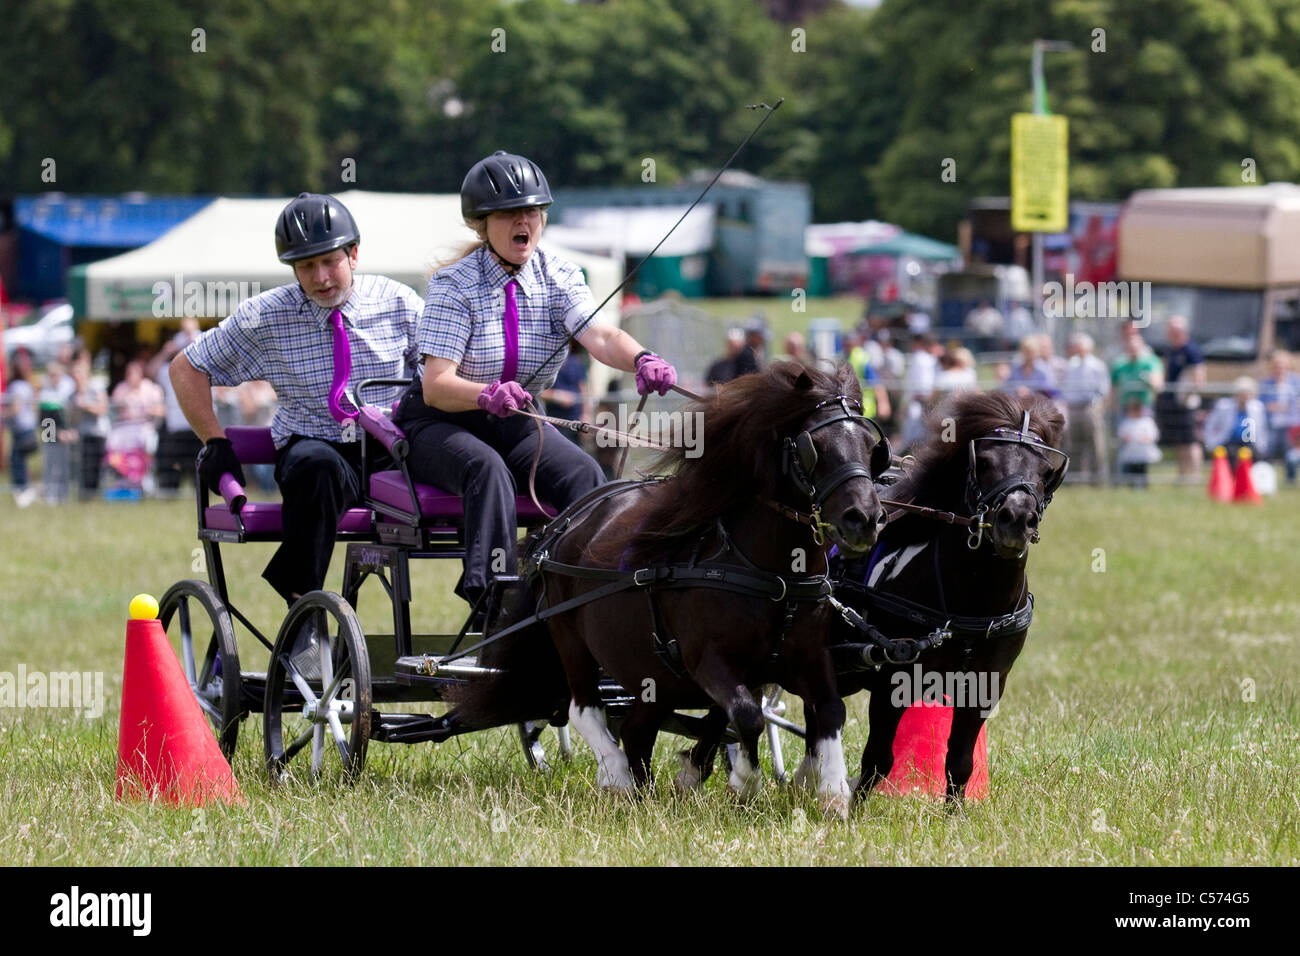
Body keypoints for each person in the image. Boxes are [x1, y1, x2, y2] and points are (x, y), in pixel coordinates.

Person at [391, 150, 677, 617]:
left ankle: (589, 595)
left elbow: (601, 335)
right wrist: (485, 393)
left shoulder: (559, 275)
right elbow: (436, 385)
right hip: (439, 424)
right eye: (509, 214)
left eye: (532, 212)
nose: (523, 221)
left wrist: (641, 358)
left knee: (586, 475)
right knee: (487, 470)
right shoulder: (453, 285)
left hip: (517, 419)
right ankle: (493, 600)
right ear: (482, 225)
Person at [170, 192, 424, 628]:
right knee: (317, 465)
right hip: (312, 450)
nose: (321, 277)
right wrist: (214, 439)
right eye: (307, 266)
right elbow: (186, 367)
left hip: (391, 454)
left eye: (330, 261)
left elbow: (441, 370)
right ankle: (303, 608)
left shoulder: (399, 302)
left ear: (354, 253)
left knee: (470, 463)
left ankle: (493, 608)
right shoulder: (264, 316)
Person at [150, 318, 207, 494]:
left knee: (201, 475)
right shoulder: (170, 368)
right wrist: (166, 351)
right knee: (173, 474)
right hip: (177, 427)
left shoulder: (206, 363)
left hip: (201, 427)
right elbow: (151, 371)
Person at [1155, 315, 1206, 483]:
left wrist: (1188, 396)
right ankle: (1184, 475)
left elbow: (1199, 377)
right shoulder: (1171, 350)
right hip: (1173, 403)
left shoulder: (1191, 350)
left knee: (1190, 441)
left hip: (1186, 404)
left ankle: (1195, 475)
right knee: (1180, 442)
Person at [1059, 332, 1110, 485]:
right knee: (1073, 444)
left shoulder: (1097, 366)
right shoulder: (1070, 365)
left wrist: (1099, 408)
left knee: (1095, 444)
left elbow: (1103, 389)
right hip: (1073, 408)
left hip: (1090, 407)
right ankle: (1075, 478)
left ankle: (1097, 479)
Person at [36, 358, 76, 503]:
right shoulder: (45, 394)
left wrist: (69, 432)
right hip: (51, 436)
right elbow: (44, 419)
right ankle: (50, 496)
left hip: (66, 435)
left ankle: (64, 495)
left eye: (57, 374)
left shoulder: (68, 390)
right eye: (51, 374)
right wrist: (57, 434)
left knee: (65, 466)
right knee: (50, 465)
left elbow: (71, 416)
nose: (54, 377)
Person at [70, 352, 109, 499]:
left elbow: (102, 409)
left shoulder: (95, 388)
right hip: (83, 435)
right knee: (85, 468)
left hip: (99, 433)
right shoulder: (73, 394)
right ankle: (86, 496)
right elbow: (72, 419)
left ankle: (98, 495)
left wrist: (85, 406)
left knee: (99, 467)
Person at [1204, 376, 1269, 462]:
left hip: (1250, 444)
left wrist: (1262, 447)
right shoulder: (1223, 406)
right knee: (1232, 456)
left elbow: (1262, 429)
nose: (1244, 397)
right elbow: (1210, 425)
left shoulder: (1257, 408)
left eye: (1247, 394)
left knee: (1257, 457)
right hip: (1229, 442)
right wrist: (1211, 442)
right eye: (1242, 393)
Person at [4, 348, 39, 507]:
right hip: (30, 428)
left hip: (21, 429)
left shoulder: (16, 386)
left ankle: (23, 490)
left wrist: (4, 415)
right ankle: (25, 489)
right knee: (21, 460)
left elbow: (15, 408)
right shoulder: (27, 385)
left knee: (16, 460)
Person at [1259, 349, 1300, 483]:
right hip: (1271, 424)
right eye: (1276, 365)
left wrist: (1286, 406)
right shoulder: (1265, 383)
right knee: (1267, 451)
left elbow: (1295, 404)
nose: (1279, 368)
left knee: (1291, 454)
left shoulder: (1296, 382)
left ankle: (1290, 479)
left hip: (1291, 424)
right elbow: (1262, 403)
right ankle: (1267, 479)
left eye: (1282, 365)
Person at [1116, 397, 1160, 488]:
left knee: (1141, 470)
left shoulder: (1147, 422)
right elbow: (1121, 434)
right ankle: (1131, 484)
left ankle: (1142, 485)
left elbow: (1153, 435)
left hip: (1143, 452)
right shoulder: (1127, 422)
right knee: (1131, 469)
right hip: (1131, 451)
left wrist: (1144, 439)